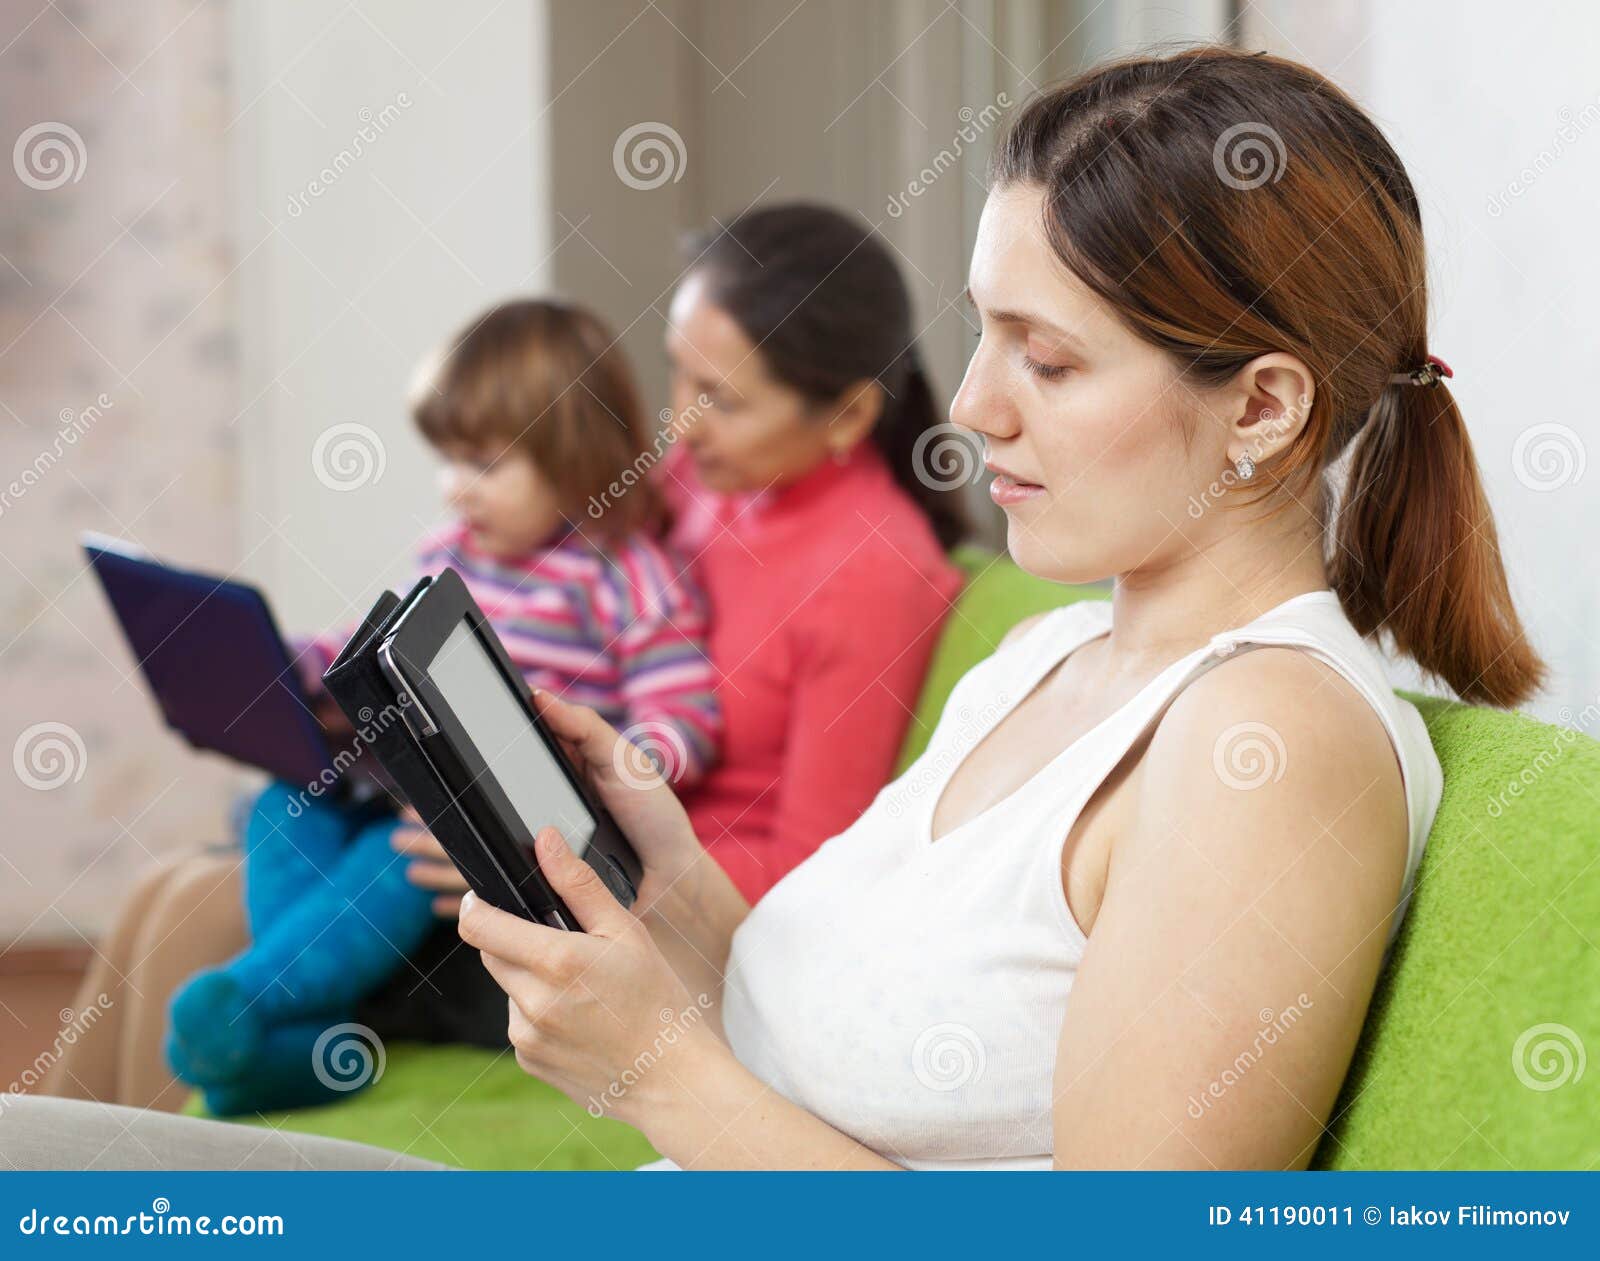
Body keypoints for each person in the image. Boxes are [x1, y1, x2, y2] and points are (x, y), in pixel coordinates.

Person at [19, 42, 1547, 1168]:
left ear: (1264, 407)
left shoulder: (1265, 743)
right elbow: (877, 1038)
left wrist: (658, 1072)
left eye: (1053, 360)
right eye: (984, 336)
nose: (977, 410)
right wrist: (678, 895)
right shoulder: (1049, 653)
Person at [46, 300, 722, 1118]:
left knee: (401, 853)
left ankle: (248, 1001)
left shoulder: (628, 578)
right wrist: (296, 665)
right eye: (447, 460)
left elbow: (679, 719)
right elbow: (376, 648)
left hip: (485, 822)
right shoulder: (456, 552)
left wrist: (585, 766)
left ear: (576, 460)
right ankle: (308, 1035)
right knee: (279, 808)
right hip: (395, 774)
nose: (455, 488)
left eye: (483, 464)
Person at [659, 203, 969, 901]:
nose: (680, 424)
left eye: (722, 401)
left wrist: (590, 867)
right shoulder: (697, 478)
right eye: (677, 372)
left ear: (849, 415)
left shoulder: (871, 577)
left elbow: (809, 874)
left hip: (684, 915)